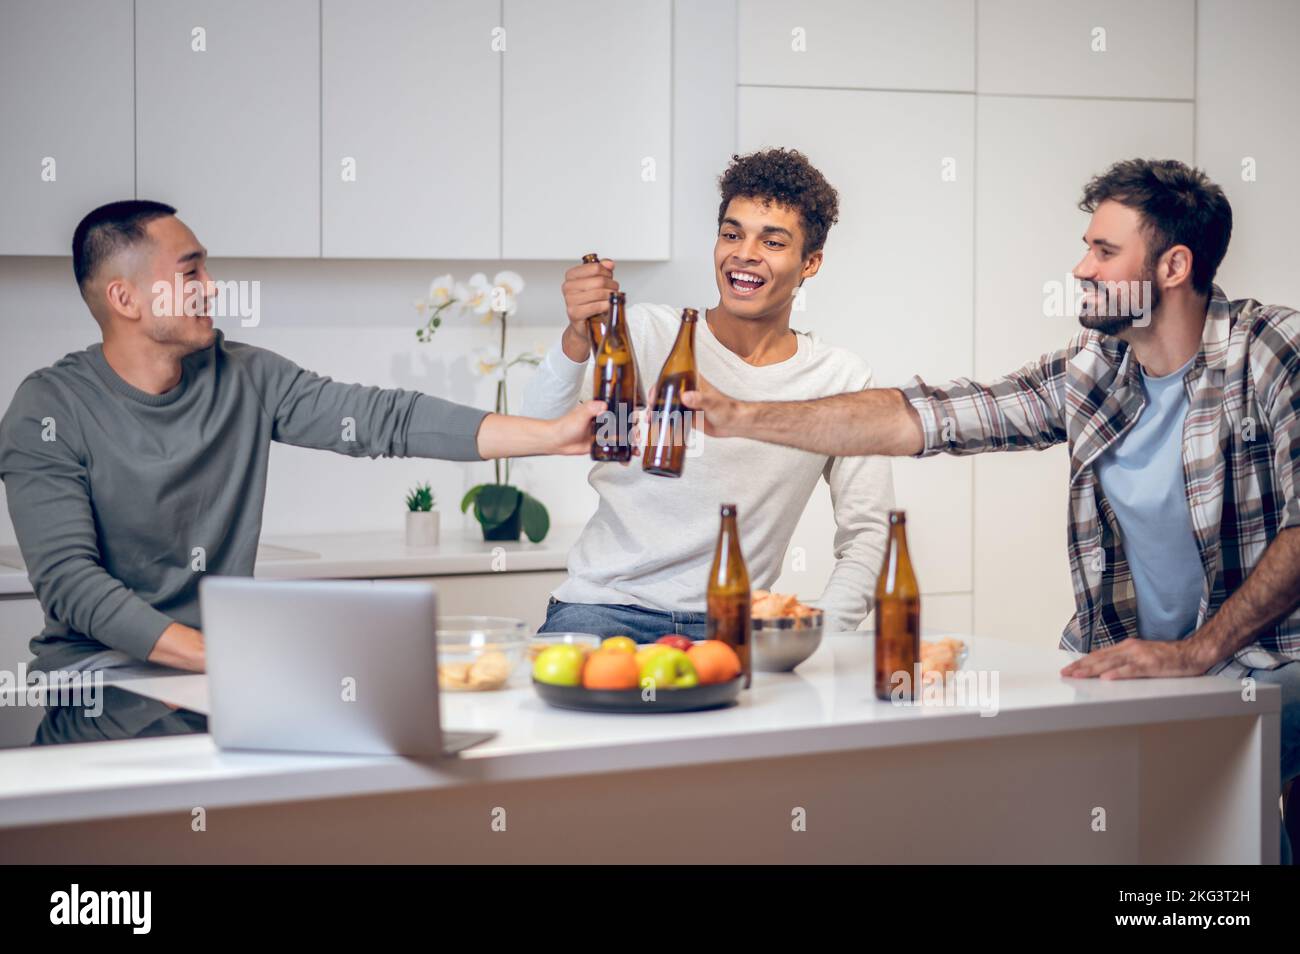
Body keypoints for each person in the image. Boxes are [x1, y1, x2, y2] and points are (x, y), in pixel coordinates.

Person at [682, 158, 1300, 862]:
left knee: (1199, 779)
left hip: (1272, 658)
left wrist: (1199, 653)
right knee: (1040, 790)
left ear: (1173, 265)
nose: (1082, 269)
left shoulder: (1272, 352)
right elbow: (929, 417)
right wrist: (744, 415)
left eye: (1103, 250)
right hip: (1139, 666)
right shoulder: (1095, 370)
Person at [0, 200, 602, 674]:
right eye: (191, 272)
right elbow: (70, 583)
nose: (212, 287)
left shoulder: (246, 377)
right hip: (98, 675)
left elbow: (381, 418)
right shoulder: (49, 407)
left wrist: (550, 435)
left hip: (222, 670)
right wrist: (224, 657)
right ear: (125, 298)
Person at [523, 149, 894, 641]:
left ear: (811, 263)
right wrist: (574, 336)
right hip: (604, 610)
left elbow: (871, 533)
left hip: (734, 627)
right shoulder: (646, 334)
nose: (744, 253)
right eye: (732, 234)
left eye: (773, 241)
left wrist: (822, 630)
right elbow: (537, 428)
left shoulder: (839, 378)